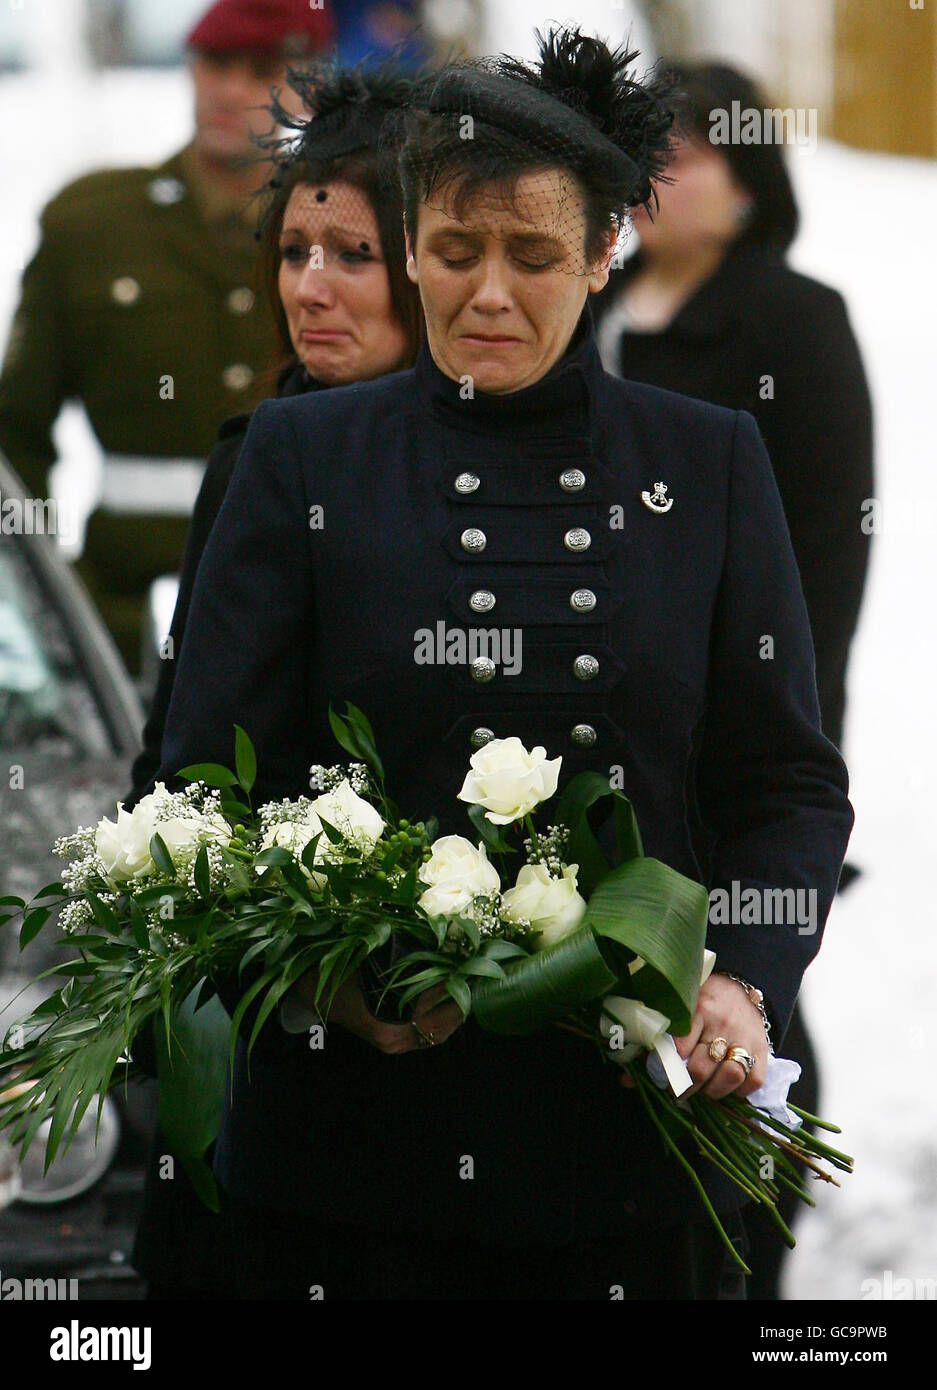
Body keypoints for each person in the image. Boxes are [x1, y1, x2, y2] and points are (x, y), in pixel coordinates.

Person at [157, 27, 854, 1300]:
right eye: (455, 251)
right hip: (348, 1158)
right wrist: (321, 972)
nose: (488, 293)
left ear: (602, 255)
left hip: (623, 1165)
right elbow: (202, 785)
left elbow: (787, 783)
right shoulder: (300, 460)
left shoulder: (704, 463)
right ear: (413, 245)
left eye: (533, 255)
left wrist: (747, 981)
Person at [126, 58, 429, 1301]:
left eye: (352, 253)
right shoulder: (259, 452)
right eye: (296, 247)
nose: (310, 283)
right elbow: (188, 756)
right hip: (289, 1033)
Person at [592, 61, 873, 1299]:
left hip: (739, 724)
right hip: (606, 719)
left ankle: (752, 1227)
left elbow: (825, 549)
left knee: (746, 971)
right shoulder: (593, 306)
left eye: (697, 152)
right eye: (649, 155)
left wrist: (788, 717)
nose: (668, 178)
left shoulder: (791, 318)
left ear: (750, 177)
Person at [0, 0, 333, 674]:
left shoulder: (348, 231)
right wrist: (44, 606)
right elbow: (16, 433)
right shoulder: (92, 223)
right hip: (119, 622)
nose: (231, 90)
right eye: (215, 63)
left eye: (262, 68)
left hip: (312, 606)